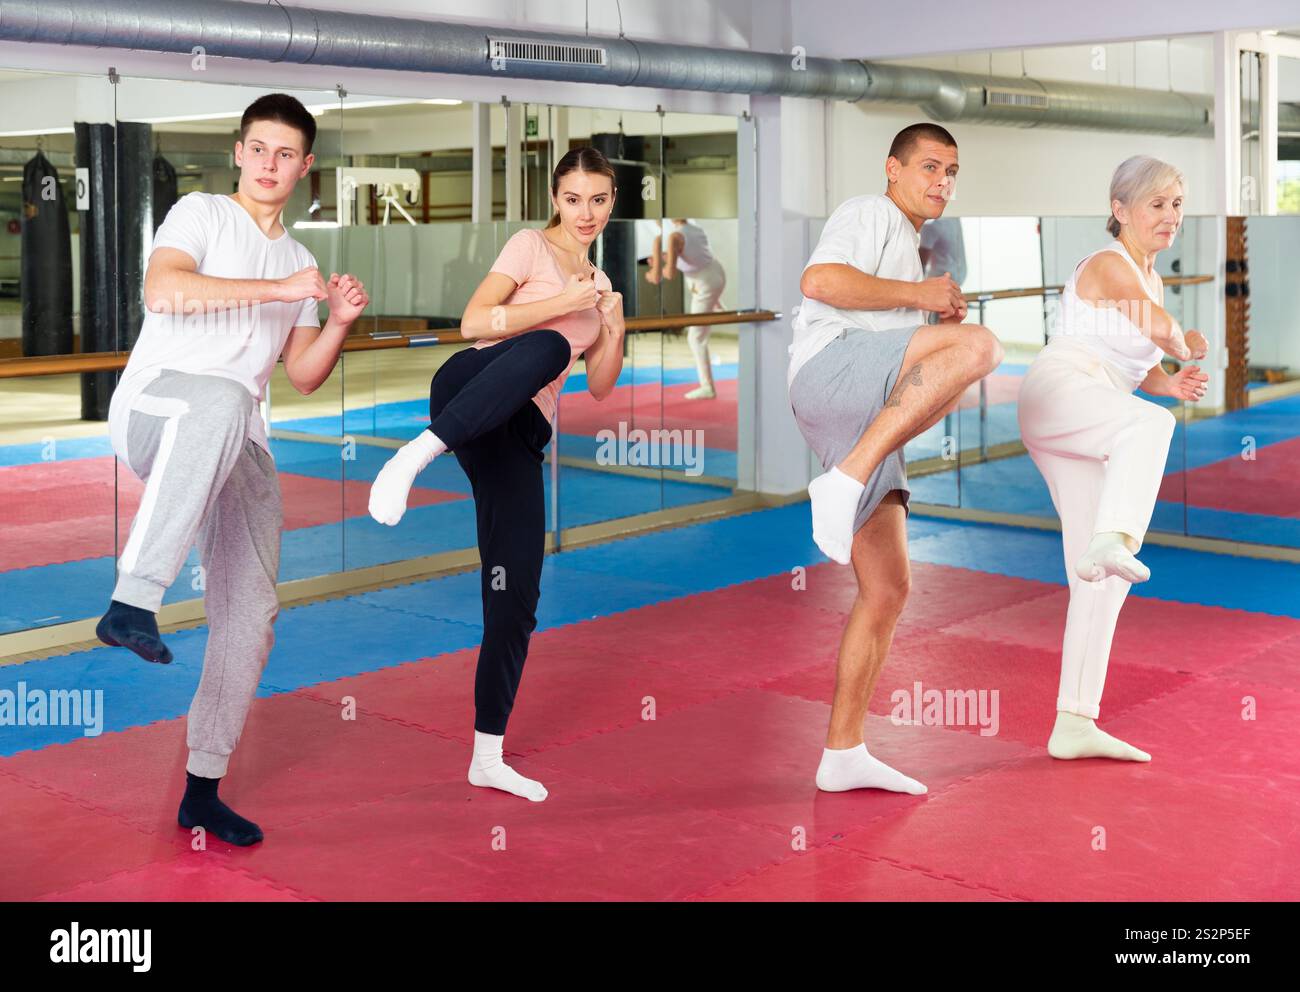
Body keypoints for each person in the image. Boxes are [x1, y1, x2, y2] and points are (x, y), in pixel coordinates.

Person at [95, 93, 370, 845]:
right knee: (216, 397)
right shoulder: (201, 214)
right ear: (239, 151)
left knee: (253, 616)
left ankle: (203, 787)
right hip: (159, 408)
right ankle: (133, 600)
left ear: (306, 166)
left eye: (286, 154)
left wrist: (337, 320)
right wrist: (277, 292)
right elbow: (164, 290)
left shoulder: (302, 260)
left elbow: (303, 373)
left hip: (238, 435)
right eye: (258, 149)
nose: (269, 165)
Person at [367, 147, 626, 802]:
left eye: (598, 199)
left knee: (516, 596)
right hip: (469, 390)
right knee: (542, 345)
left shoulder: (598, 283)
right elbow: (473, 322)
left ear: (612, 201)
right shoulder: (529, 248)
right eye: (573, 199)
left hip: (517, 435)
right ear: (556, 198)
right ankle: (418, 452)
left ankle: (487, 754)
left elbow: (598, 386)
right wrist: (563, 303)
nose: (585, 212)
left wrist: (612, 325)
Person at [788, 122, 1003, 794]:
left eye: (952, 172)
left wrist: (927, 322)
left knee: (888, 589)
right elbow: (819, 279)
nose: (943, 182)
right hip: (828, 375)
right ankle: (846, 479)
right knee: (980, 347)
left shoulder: (910, 250)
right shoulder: (870, 211)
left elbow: (899, 355)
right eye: (930, 167)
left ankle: (843, 752)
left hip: (860, 403)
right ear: (893, 168)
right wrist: (924, 299)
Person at [1017, 155, 1209, 762]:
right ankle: (1116, 534)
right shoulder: (1110, 265)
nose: (1170, 216)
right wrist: (1186, 343)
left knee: (1099, 581)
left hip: (1089, 412)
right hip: (1059, 393)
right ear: (1120, 210)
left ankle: (1074, 721)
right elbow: (1154, 325)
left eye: (1176, 204)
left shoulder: (1151, 277)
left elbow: (1134, 359)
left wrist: (1168, 380)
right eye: (1156, 204)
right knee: (1149, 428)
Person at [647, 218, 726, 399]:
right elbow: (691, 254)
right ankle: (716, 303)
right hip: (714, 274)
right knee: (698, 333)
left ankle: (707, 387)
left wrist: (655, 269)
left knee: (695, 338)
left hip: (705, 283)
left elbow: (669, 273)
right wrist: (663, 260)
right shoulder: (693, 227)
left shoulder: (673, 237)